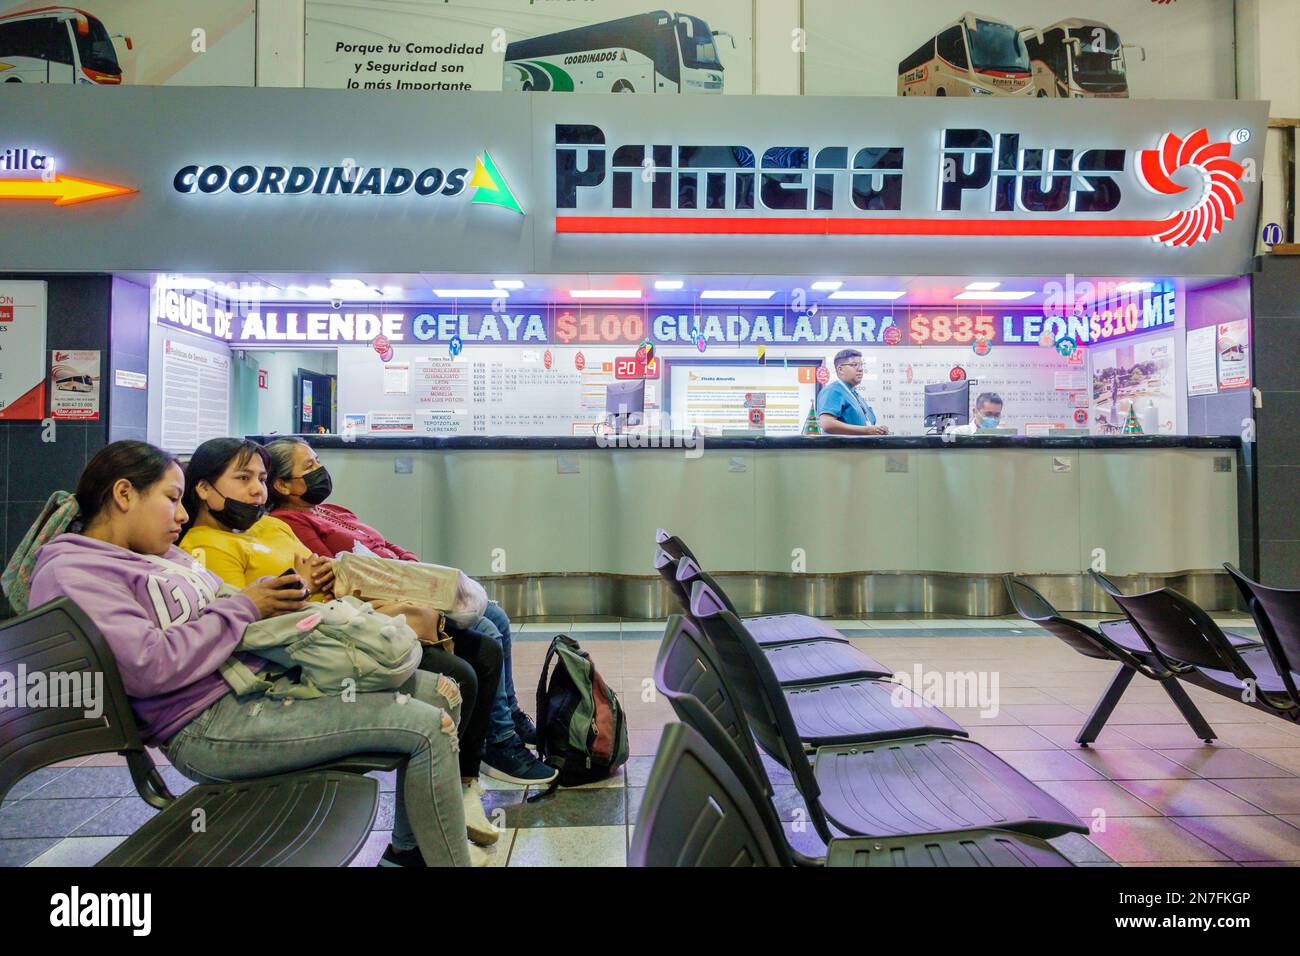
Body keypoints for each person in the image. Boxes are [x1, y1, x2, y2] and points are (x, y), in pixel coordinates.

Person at [26, 440, 478, 866]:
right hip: (208, 724)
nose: (182, 515)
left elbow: (226, 608)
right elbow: (149, 665)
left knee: (443, 693)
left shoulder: (158, 556)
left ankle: (408, 850)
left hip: (260, 684)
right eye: (171, 498)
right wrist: (246, 605)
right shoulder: (76, 571)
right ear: (124, 494)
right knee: (426, 727)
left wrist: (275, 598)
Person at [178, 437, 504, 846]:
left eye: (260, 478)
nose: (256, 489)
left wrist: (317, 578)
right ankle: (420, 832)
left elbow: (322, 571)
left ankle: (462, 785)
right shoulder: (207, 547)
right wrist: (304, 585)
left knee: (483, 650)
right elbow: (248, 623)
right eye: (243, 478)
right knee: (458, 676)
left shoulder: (270, 525)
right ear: (204, 489)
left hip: (349, 624)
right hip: (309, 656)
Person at [263, 437, 555, 796]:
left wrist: (412, 565)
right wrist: (408, 580)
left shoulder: (331, 510)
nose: (320, 471)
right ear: (280, 485)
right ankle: (499, 741)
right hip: (391, 604)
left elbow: (380, 544)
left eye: (317, 460)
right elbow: (341, 577)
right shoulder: (290, 522)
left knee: (498, 617)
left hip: (411, 583)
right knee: (487, 632)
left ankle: (508, 716)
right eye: (308, 467)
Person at [816, 348, 890, 436]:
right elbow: (827, 424)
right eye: (854, 365)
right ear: (840, 369)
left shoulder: (854, 394)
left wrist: (878, 430)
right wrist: (867, 430)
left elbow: (866, 424)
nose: (860, 369)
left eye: (861, 365)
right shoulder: (833, 390)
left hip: (861, 448)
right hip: (844, 449)